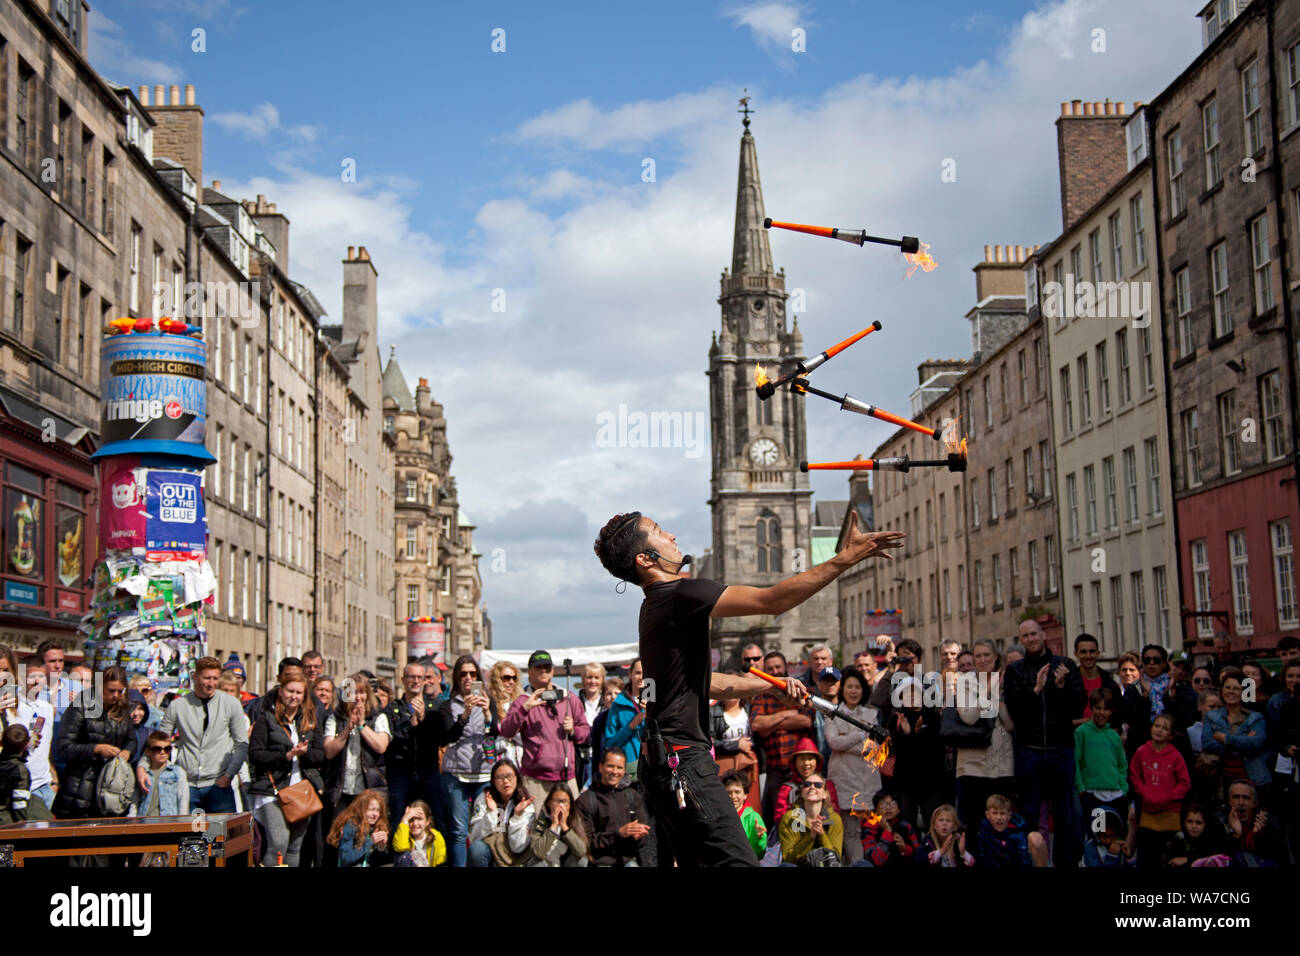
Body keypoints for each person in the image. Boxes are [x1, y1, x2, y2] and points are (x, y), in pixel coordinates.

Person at [593, 509, 900, 867]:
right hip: (684, 765)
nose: (673, 536)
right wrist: (847, 557)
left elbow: (708, 681)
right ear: (645, 559)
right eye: (659, 532)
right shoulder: (681, 594)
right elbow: (772, 601)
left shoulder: (654, 608)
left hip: (663, 766)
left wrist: (766, 687)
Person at [1003, 617, 1085, 866]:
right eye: (1025, 636)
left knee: (1065, 816)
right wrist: (1036, 690)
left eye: (1034, 634)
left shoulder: (1066, 665)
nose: (1030, 639)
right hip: (1030, 751)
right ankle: (1033, 862)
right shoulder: (1015, 671)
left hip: (1061, 750)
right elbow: (1016, 712)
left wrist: (1060, 687)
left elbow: (1078, 706)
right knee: (1029, 815)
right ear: (1021, 640)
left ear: (1043, 635)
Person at [139, 656, 248, 814]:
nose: (210, 683)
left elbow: (242, 744)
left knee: (220, 836)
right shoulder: (177, 706)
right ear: (195, 676)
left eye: (215, 678)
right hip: (187, 784)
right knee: (190, 836)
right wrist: (143, 766)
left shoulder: (231, 704)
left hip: (218, 784)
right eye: (206, 678)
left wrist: (228, 775)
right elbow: (158, 740)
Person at [247, 667, 325, 867]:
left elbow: (320, 755)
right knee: (278, 843)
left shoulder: (309, 719)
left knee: (295, 846)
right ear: (281, 691)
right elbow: (255, 755)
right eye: (290, 691)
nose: (294, 697)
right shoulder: (267, 719)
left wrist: (305, 753)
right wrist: (287, 756)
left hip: (299, 790)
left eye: (299, 693)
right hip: (271, 790)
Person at [499, 650, 591, 804]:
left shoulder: (569, 698)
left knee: (572, 825)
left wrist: (573, 730)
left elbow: (586, 733)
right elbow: (506, 731)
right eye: (538, 667)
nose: (543, 671)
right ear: (529, 672)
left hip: (566, 777)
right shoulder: (522, 700)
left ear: (553, 671)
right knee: (535, 826)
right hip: (535, 780)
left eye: (547, 667)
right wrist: (524, 708)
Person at [386, 661, 464, 835]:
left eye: (419, 677)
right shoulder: (393, 708)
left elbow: (442, 738)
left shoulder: (436, 707)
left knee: (437, 819)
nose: (415, 681)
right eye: (411, 677)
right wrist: (412, 724)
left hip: (428, 772)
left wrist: (423, 721)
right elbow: (392, 738)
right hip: (401, 773)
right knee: (399, 819)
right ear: (403, 680)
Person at [52, 665, 136, 819]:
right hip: (80, 790)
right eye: (111, 691)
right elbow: (64, 747)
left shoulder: (122, 709)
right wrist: (96, 749)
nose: (116, 695)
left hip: (111, 792)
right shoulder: (81, 705)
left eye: (120, 691)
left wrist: (127, 752)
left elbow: (131, 740)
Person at [954, 638, 1014, 841]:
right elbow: (969, 717)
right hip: (973, 765)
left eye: (986, 655)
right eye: (978, 656)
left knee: (1000, 826)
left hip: (1002, 763)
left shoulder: (1007, 680)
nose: (982, 660)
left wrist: (1000, 697)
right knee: (973, 825)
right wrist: (988, 690)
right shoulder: (965, 682)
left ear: (996, 657)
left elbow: (1010, 724)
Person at [323, 673, 390, 847]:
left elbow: (381, 746)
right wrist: (346, 730)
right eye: (353, 693)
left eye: (362, 692)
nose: (358, 697)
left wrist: (361, 725)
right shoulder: (334, 719)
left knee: (364, 839)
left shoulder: (378, 718)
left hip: (368, 789)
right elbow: (329, 751)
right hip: (341, 790)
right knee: (338, 839)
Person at [440, 655, 495, 867]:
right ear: (456, 678)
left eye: (473, 674)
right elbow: (448, 736)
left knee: (484, 827)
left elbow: (496, 733)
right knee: (458, 830)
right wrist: (466, 713)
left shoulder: (488, 701)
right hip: (456, 773)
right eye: (463, 674)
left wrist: (488, 712)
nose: (468, 678)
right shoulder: (448, 706)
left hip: (483, 772)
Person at [750, 650, 815, 826]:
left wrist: (771, 723)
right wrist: (786, 715)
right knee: (780, 817)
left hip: (801, 766)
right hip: (775, 767)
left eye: (778, 667)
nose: (775, 671)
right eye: (770, 668)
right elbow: (756, 725)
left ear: (785, 668)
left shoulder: (800, 689)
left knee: (804, 814)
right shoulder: (762, 696)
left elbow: (806, 720)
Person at [823, 667, 880, 864]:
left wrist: (846, 740)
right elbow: (833, 743)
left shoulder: (872, 714)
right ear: (842, 689)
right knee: (850, 831)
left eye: (857, 687)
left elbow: (874, 748)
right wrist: (860, 734)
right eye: (850, 687)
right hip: (843, 780)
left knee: (869, 830)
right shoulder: (832, 713)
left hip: (867, 781)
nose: (853, 691)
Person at [886, 676, 948, 829]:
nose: (911, 696)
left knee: (933, 825)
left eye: (915, 692)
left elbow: (937, 750)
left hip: (931, 783)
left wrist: (916, 735)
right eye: (906, 693)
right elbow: (897, 751)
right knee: (906, 826)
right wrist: (908, 735)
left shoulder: (933, 717)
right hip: (906, 783)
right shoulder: (896, 720)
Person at [1129, 713, 1190, 867]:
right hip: (1148, 812)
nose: (1159, 730)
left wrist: (1168, 797)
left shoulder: (1176, 756)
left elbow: (1184, 783)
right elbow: (1134, 776)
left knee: (1166, 857)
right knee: (1147, 855)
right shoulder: (1141, 751)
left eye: (1164, 728)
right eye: (1157, 726)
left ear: (1170, 735)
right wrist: (1144, 792)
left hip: (1170, 813)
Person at [0, 645, 56, 811]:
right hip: (17, 784)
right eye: (32, 676)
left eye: (5, 670)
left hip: (42, 784)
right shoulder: (15, 704)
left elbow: (46, 746)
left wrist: (53, 779)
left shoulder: (45, 708)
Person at [1202, 667, 1270, 798]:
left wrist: (1227, 739)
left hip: (1252, 778)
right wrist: (1243, 741)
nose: (1231, 692)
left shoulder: (1256, 717)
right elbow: (1207, 744)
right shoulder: (1212, 716)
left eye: (1236, 688)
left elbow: (1257, 743)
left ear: (1244, 691)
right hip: (1221, 779)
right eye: (1227, 688)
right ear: (1221, 691)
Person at [576, 749, 650, 865]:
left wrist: (638, 836)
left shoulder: (632, 796)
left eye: (619, 768)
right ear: (600, 767)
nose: (615, 772)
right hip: (599, 861)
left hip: (628, 860)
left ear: (624, 770)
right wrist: (618, 834)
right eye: (610, 766)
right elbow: (586, 843)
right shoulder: (585, 800)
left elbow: (642, 840)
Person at [1074, 687, 1129, 827]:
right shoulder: (1082, 733)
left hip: (1116, 795)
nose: (1101, 713)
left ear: (1111, 711)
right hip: (1093, 794)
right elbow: (1076, 762)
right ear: (1091, 709)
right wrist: (1081, 789)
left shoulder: (1114, 736)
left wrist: (1123, 788)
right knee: (1099, 835)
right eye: (1098, 708)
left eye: (1106, 709)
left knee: (1116, 837)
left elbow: (1122, 765)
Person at [467, 759, 534, 867]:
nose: (506, 781)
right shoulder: (485, 798)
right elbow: (474, 837)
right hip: (491, 850)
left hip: (519, 857)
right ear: (493, 781)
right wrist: (494, 813)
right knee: (477, 849)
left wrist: (517, 816)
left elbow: (517, 847)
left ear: (517, 777)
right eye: (500, 778)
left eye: (509, 776)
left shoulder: (525, 802)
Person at [777, 772, 843, 865]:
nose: (812, 787)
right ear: (802, 793)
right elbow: (787, 858)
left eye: (818, 785)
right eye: (807, 785)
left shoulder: (835, 819)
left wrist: (821, 834)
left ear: (825, 794)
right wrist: (811, 837)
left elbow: (836, 858)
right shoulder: (790, 817)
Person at [771, 736, 841, 823]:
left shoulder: (827, 785)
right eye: (802, 759)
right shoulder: (787, 789)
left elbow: (835, 813)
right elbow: (780, 819)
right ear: (795, 763)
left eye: (810, 758)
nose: (806, 763)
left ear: (817, 762)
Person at [1219, 779, 1286, 866]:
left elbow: (1279, 856)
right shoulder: (1220, 820)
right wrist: (1236, 835)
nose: (1241, 803)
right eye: (1236, 797)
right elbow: (1221, 858)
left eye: (1246, 798)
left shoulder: (1268, 822)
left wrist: (1260, 835)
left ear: (1255, 802)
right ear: (1229, 801)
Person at [603, 657, 646, 781]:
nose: (641, 677)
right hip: (627, 773)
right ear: (630, 674)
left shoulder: (657, 701)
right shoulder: (618, 704)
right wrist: (630, 726)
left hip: (653, 769)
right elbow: (609, 744)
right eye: (637, 673)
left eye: (645, 673)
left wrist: (652, 715)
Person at [977, 793, 1048, 867]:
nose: (998, 817)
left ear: (1009, 815)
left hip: (1019, 864)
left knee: (1036, 837)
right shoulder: (984, 827)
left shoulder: (1019, 826)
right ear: (987, 815)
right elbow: (983, 856)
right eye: (995, 813)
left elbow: (1023, 858)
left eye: (1002, 813)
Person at [131, 730, 191, 817]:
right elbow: (135, 801)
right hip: (144, 822)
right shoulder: (143, 774)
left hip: (169, 823)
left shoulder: (177, 772)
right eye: (157, 749)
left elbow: (183, 801)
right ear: (148, 752)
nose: (162, 752)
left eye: (167, 749)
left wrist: (182, 822)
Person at [0, 723, 51, 822]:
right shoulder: (20, 770)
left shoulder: (5, 763)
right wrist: (24, 828)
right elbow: (19, 804)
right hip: (7, 822)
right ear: (26, 744)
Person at [327, 789, 390, 867]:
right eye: (371, 810)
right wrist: (370, 842)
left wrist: (381, 847)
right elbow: (346, 858)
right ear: (361, 809)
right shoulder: (350, 826)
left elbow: (380, 861)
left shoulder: (377, 827)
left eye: (378, 810)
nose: (375, 814)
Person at [528, 784, 588, 866]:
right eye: (556, 801)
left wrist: (565, 827)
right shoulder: (542, 820)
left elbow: (581, 851)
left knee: (582, 860)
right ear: (549, 802)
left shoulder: (574, 819)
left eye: (564, 801)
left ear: (570, 805)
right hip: (546, 863)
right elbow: (538, 852)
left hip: (566, 863)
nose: (560, 805)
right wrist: (553, 826)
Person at [1072, 633, 1121, 726]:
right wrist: (1088, 721)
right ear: (1076, 654)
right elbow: (1061, 720)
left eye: (1092, 651)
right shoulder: (1069, 683)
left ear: (1098, 653)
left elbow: (1118, 717)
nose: (1088, 656)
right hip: (1077, 737)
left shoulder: (1110, 684)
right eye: (1083, 652)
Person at [857, 791, 916, 867]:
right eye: (883, 804)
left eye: (893, 804)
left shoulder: (905, 826)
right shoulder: (869, 827)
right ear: (876, 810)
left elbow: (917, 855)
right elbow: (876, 860)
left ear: (898, 810)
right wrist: (887, 831)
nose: (888, 808)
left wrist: (905, 848)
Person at [488, 661, 527, 769]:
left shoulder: (522, 704)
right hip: (499, 764)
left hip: (521, 763)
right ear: (497, 680)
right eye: (506, 678)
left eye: (514, 678)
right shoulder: (490, 705)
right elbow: (489, 738)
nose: (511, 682)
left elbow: (526, 736)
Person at [721, 768, 767, 860]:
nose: (733, 796)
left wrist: (758, 838)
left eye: (737, 792)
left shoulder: (754, 818)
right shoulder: (718, 816)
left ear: (745, 794)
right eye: (729, 793)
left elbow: (759, 854)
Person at [1115, 651, 1152, 758]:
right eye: (1124, 670)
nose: (1127, 673)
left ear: (1139, 672)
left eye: (1132, 670)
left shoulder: (1146, 692)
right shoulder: (1114, 691)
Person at [575, 662, 606, 788]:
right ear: (583, 679)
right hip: (580, 757)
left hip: (601, 755)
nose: (593, 681)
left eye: (597, 678)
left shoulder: (608, 702)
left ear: (602, 680)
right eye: (589, 677)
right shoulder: (575, 703)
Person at [392, 800, 447, 866]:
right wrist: (405, 819)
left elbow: (441, 862)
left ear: (428, 821)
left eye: (419, 819)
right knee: (402, 856)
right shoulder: (404, 835)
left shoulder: (436, 836)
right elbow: (400, 847)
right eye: (411, 819)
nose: (415, 823)